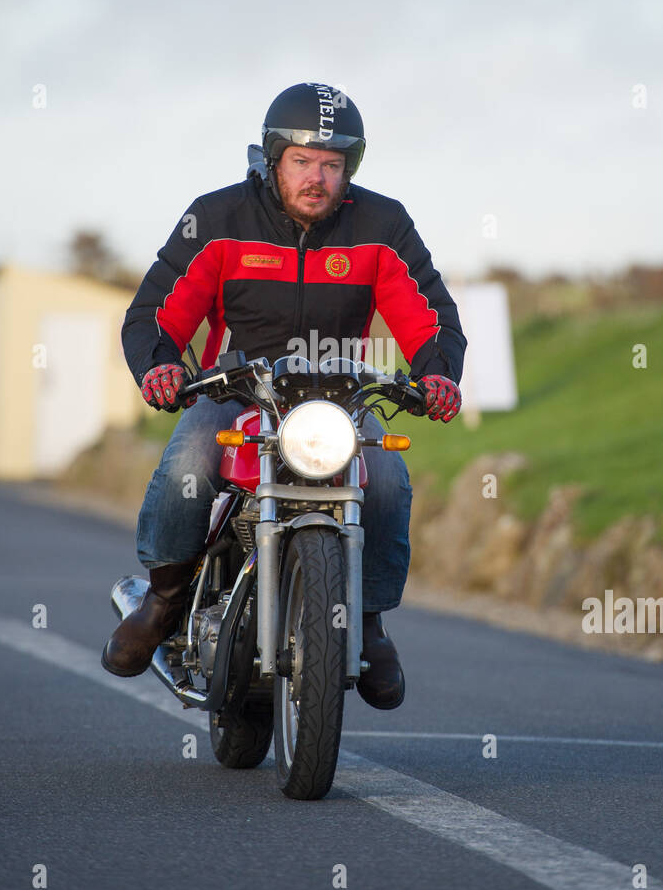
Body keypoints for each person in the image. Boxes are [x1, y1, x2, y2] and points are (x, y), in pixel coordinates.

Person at [102, 82, 467, 708]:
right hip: (235, 389)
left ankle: (370, 620)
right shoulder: (216, 218)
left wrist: (437, 373)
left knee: (388, 474)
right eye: (302, 161)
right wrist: (160, 367)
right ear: (271, 159)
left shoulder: (383, 224)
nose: (317, 178)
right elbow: (155, 313)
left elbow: (430, 312)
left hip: (340, 398)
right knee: (187, 463)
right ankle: (163, 602)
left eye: (332, 164)